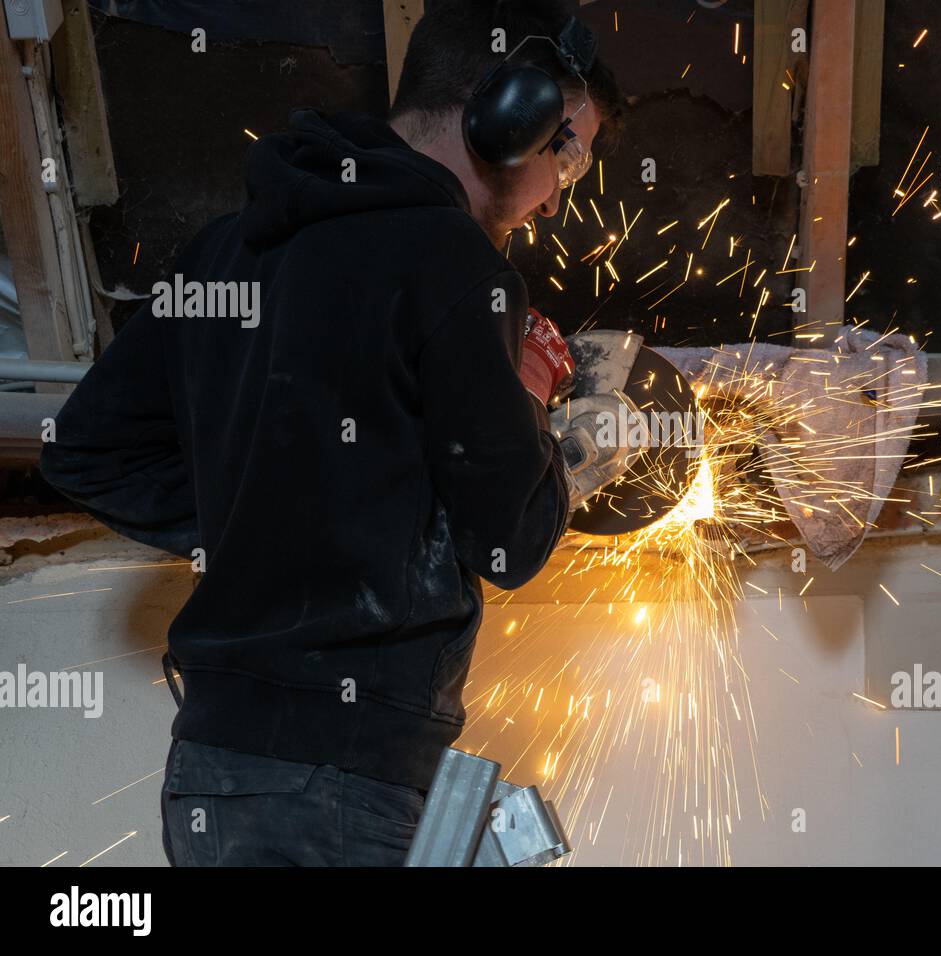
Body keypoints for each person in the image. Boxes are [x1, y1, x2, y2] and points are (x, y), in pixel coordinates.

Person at [39, 0, 627, 866]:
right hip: (343, 793)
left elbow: (86, 449)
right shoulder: (457, 267)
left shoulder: (223, 254)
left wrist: (264, 515)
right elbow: (510, 543)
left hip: (209, 775)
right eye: (567, 154)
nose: (550, 200)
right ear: (513, 114)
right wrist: (547, 414)